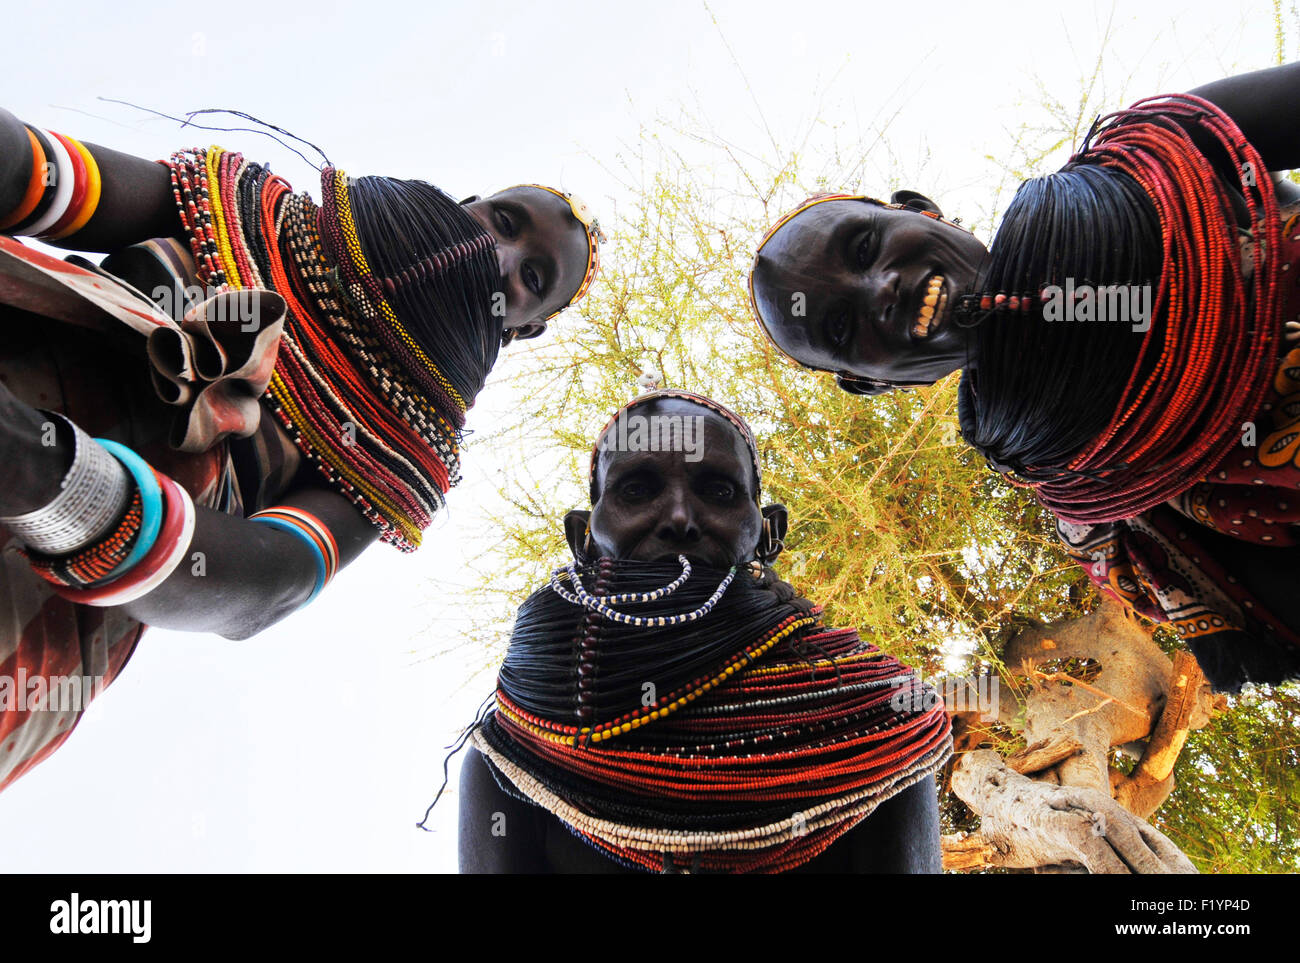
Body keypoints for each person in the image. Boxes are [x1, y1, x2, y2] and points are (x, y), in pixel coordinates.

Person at [0, 108, 602, 791]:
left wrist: (43, 476)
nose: (499, 258)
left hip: (34, 600)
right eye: (504, 222)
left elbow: (260, 588)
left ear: (522, 331)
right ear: (467, 204)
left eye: (532, 277)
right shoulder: (246, 209)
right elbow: (36, 174)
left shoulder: (399, 456)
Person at [747, 63, 1300, 693]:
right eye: (843, 328)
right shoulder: (1110, 520)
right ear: (876, 384)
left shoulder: (1150, 158)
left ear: (925, 212)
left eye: (864, 248)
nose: (882, 289)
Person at [454, 389, 952, 873]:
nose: (678, 516)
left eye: (717, 491)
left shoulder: (874, 721)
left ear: (767, 533)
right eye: (636, 490)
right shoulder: (517, 754)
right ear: (584, 536)